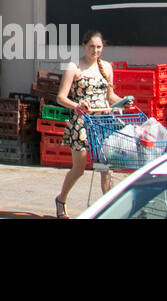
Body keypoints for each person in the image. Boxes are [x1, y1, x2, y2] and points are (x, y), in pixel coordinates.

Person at [53, 30, 125, 218]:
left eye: (99, 47)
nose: (95, 50)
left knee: (105, 167)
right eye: (92, 46)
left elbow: (110, 96)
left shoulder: (106, 67)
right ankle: (61, 199)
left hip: (103, 121)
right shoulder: (74, 66)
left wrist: (123, 101)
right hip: (82, 122)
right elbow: (61, 97)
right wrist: (78, 105)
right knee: (79, 168)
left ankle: (109, 210)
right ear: (84, 46)